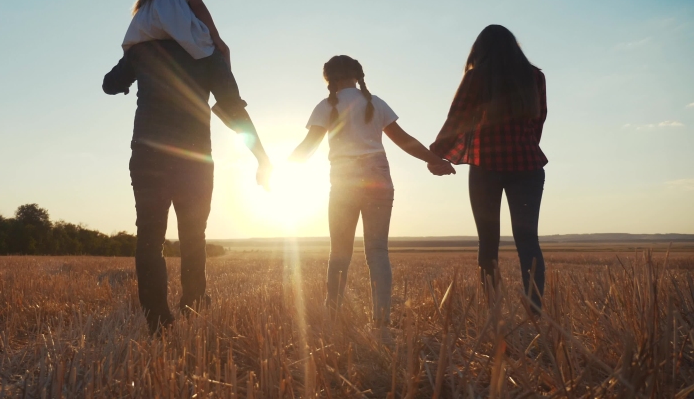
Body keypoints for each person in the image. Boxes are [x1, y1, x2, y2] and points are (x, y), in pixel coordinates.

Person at [111, 39, 272, 333]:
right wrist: (262, 157)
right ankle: (194, 306)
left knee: (149, 237)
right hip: (195, 158)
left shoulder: (143, 49)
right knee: (194, 236)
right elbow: (233, 109)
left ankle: (157, 320)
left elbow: (110, 84)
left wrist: (129, 59)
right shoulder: (206, 52)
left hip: (149, 155)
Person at [290, 55, 454, 333]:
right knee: (377, 251)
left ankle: (333, 318)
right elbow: (404, 140)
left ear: (329, 79)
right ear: (358, 75)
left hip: (343, 184)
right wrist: (433, 159)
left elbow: (308, 147)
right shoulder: (374, 103)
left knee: (339, 253)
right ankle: (382, 320)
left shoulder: (326, 106)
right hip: (378, 180)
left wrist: (278, 170)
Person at [430, 25, 548, 312]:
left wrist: (436, 153)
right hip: (527, 165)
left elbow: (457, 118)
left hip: (486, 167)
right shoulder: (534, 75)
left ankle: (493, 310)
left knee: (488, 241)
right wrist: (525, 147)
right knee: (528, 239)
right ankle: (536, 311)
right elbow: (539, 118)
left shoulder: (477, 77)